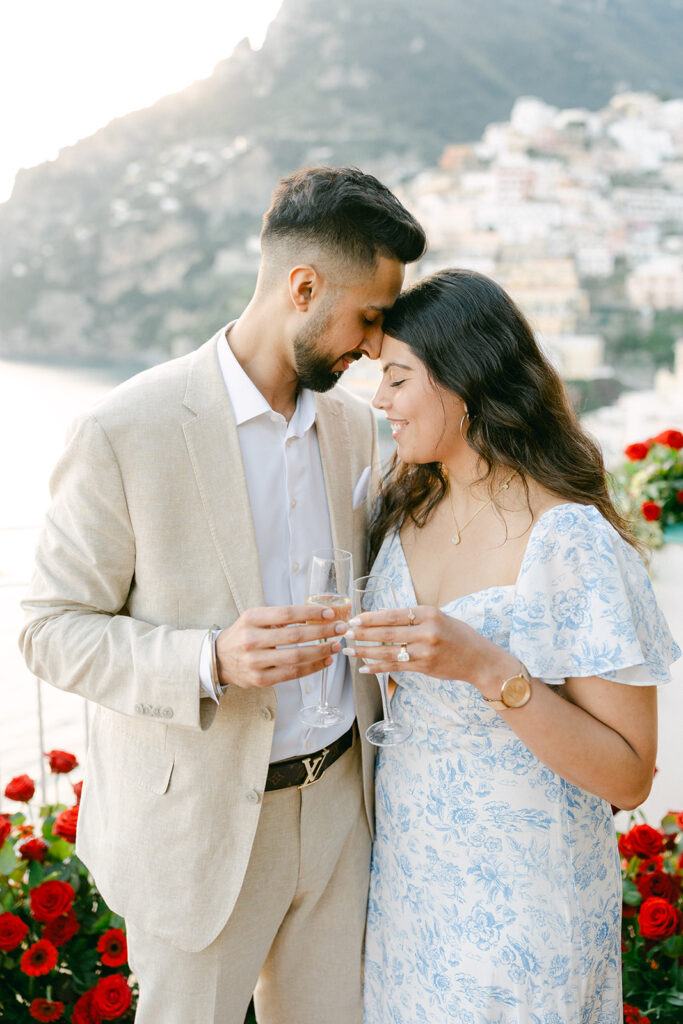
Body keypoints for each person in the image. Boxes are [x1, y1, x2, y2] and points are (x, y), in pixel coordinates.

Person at [19, 166, 426, 1024]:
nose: (375, 345)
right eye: (369, 316)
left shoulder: (355, 427)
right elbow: (48, 629)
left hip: (339, 812)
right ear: (302, 287)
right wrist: (210, 658)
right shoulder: (124, 429)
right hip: (196, 835)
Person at [341, 269, 681, 1023]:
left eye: (398, 379)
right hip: (409, 875)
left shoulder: (570, 540)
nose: (379, 400)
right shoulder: (401, 509)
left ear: (463, 382)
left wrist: (489, 669)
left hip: (529, 891)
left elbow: (627, 778)